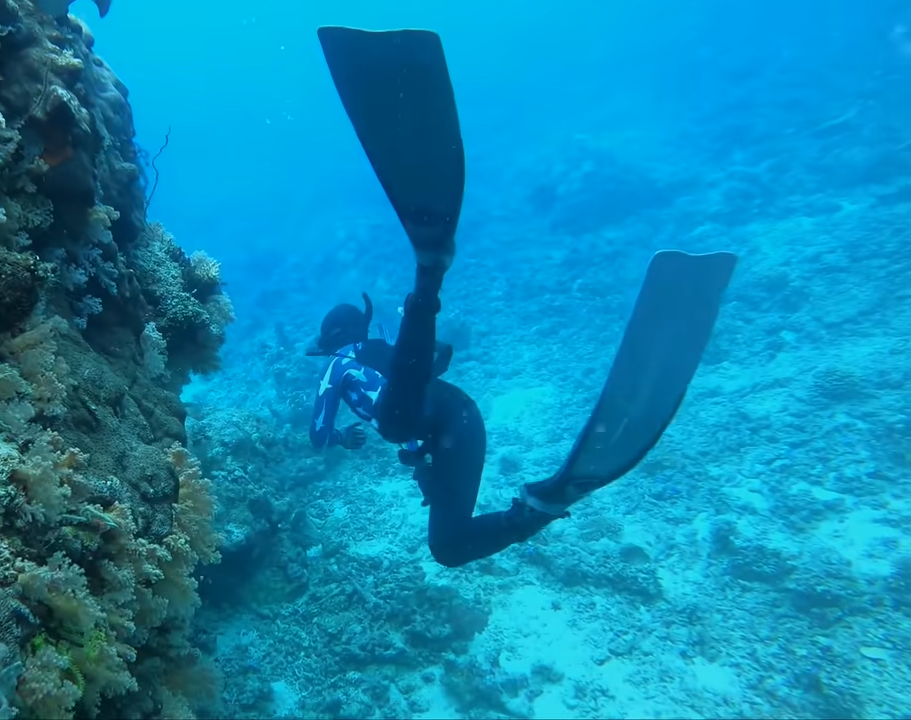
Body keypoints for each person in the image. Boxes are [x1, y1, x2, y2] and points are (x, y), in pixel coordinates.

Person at [309, 26, 739, 568]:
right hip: (461, 425)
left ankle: (429, 276)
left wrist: (344, 439)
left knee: (398, 425)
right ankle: (540, 505)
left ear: (333, 343)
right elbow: (433, 360)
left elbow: (319, 436)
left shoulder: (341, 364)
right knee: (447, 546)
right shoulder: (384, 349)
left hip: (435, 425)